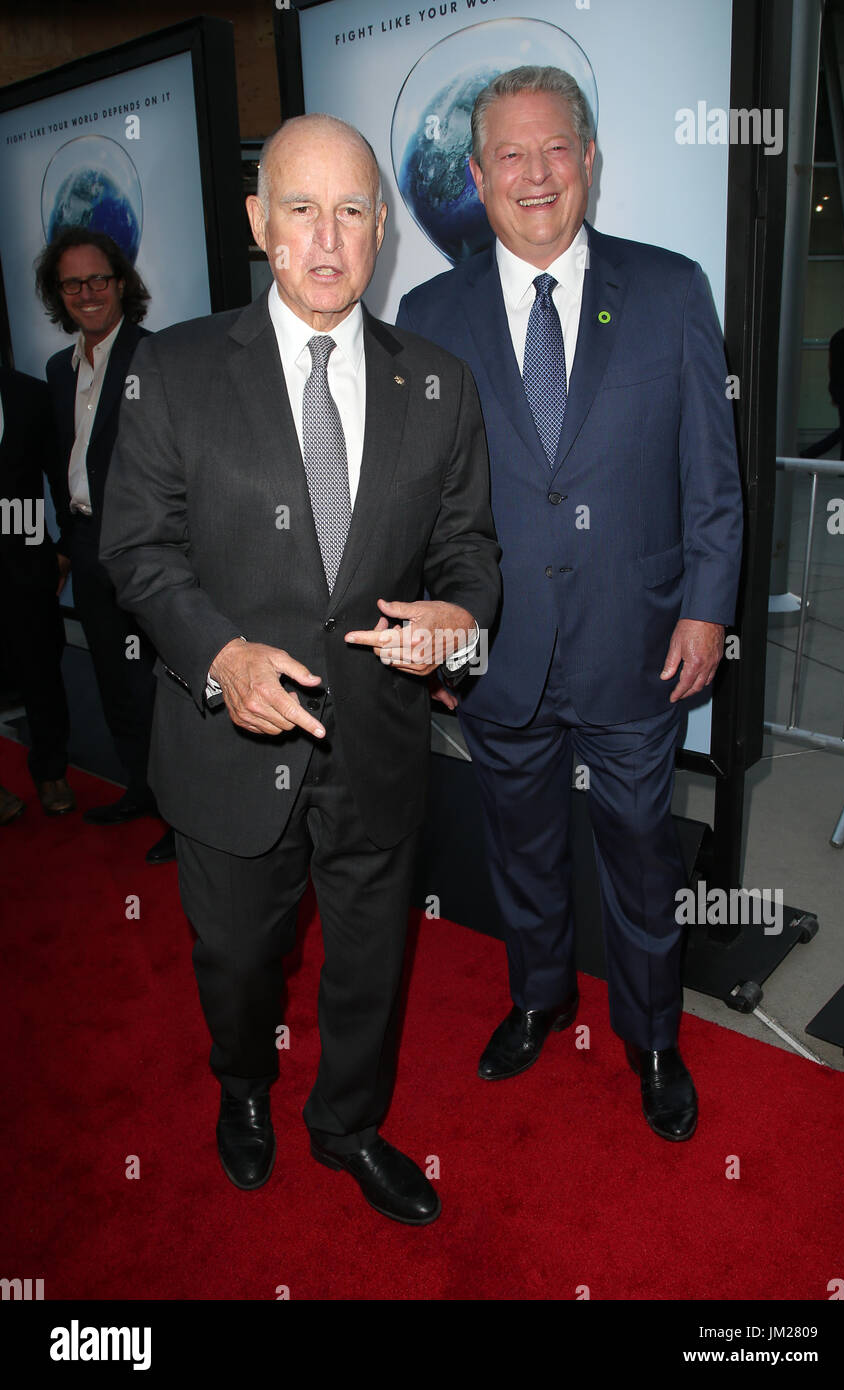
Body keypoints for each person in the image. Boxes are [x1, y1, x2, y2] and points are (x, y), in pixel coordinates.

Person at [99, 113, 500, 1223]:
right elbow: (137, 549)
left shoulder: (439, 384)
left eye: (352, 211)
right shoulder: (174, 370)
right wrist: (221, 656)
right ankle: (243, 1086)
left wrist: (460, 618)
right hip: (228, 742)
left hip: (378, 739)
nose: (327, 239)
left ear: (381, 229)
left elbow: (469, 547)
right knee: (237, 960)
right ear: (258, 221)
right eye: (302, 209)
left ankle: (349, 1126)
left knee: (371, 960)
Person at [398, 66, 743, 1142]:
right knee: (521, 844)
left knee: (641, 849)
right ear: (477, 175)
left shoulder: (671, 289)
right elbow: (417, 501)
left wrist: (706, 609)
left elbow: (712, 476)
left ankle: (653, 1039)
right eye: (511, 153)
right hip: (496, 649)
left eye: (557, 148)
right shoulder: (428, 314)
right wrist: (440, 639)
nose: (536, 173)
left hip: (638, 641)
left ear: (589, 160)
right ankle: (539, 997)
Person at [35, 229, 174, 864]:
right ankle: (140, 790)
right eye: (73, 283)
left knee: (160, 687)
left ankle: (182, 816)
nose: (87, 292)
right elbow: (65, 463)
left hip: (145, 548)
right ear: (58, 294)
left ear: (120, 283)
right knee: (115, 682)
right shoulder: (56, 370)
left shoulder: (155, 356)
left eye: (98, 279)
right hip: (89, 543)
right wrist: (67, 543)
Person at [0, 365, 74, 822]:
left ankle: (51, 771)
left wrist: (66, 546)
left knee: (41, 667)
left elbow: (62, 474)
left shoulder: (28, 394)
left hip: (24, 554)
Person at [801, 306, 844, 461]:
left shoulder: (837, 336)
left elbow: (830, 363)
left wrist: (833, 389)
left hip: (837, 385)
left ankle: (843, 460)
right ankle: (813, 453)